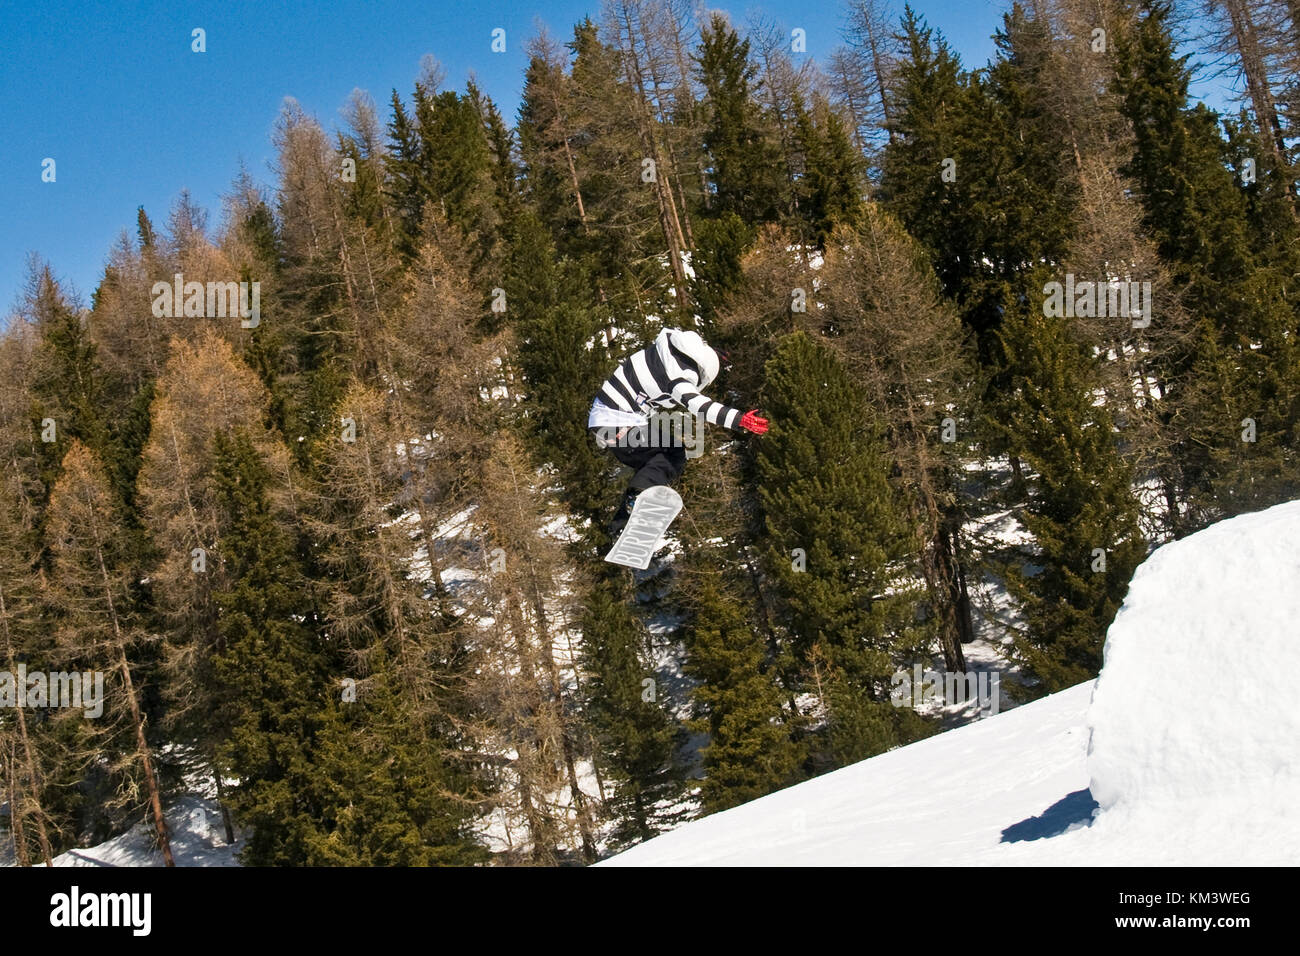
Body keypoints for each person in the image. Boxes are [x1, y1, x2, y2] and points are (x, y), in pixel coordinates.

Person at [588, 327, 768, 536]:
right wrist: (740, 419)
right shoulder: (678, 377)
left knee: (653, 464)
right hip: (618, 421)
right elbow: (700, 407)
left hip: (604, 420)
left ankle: (621, 524)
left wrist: (713, 353)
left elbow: (695, 346)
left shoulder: (664, 346)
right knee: (674, 452)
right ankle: (637, 498)